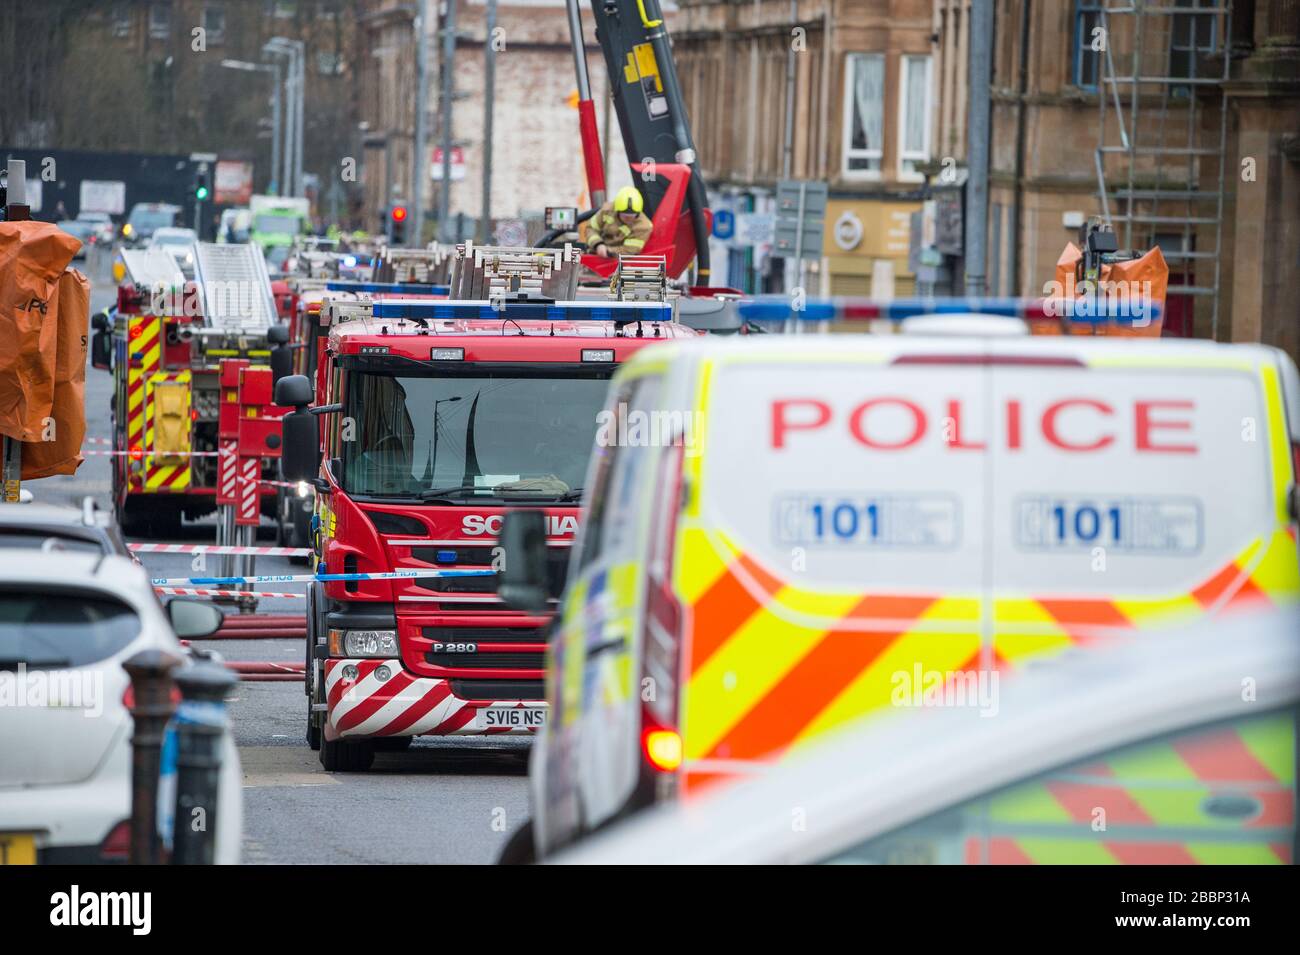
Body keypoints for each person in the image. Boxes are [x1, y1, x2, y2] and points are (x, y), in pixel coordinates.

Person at [585, 186, 653, 258]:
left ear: (639, 212)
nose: (628, 219)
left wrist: (607, 251)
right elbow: (590, 228)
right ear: (617, 211)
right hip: (595, 251)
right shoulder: (606, 211)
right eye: (625, 216)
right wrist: (598, 244)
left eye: (632, 216)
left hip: (619, 261)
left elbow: (629, 250)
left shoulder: (644, 227)